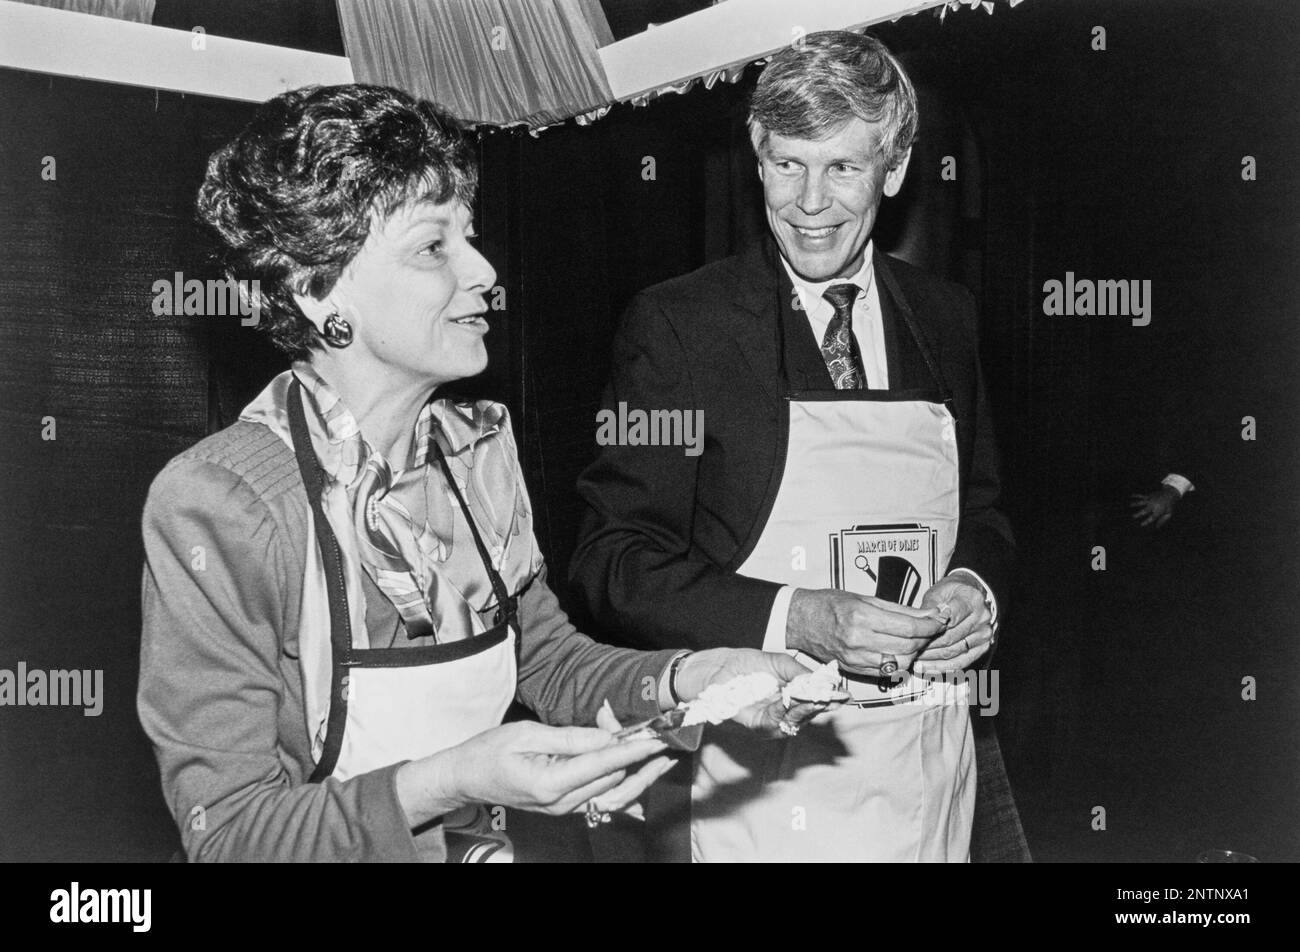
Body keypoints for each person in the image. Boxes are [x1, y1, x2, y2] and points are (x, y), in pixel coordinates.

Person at [137, 84, 823, 863]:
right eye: (435, 247)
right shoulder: (223, 504)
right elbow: (229, 837)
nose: (485, 270)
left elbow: (549, 662)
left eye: (470, 237)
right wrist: (455, 779)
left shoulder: (476, 452)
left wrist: (691, 677)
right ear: (318, 289)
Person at [570, 32, 1018, 862]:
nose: (811, 202)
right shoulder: (681, 325)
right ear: (757, 156)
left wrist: (974, 587)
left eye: (843, 168)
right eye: (787, 166)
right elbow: (614, 558)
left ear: (895, 167)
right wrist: (797, 618)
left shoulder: (945, 315)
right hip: (763, 780)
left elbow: (985, 510)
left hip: (928, 763)